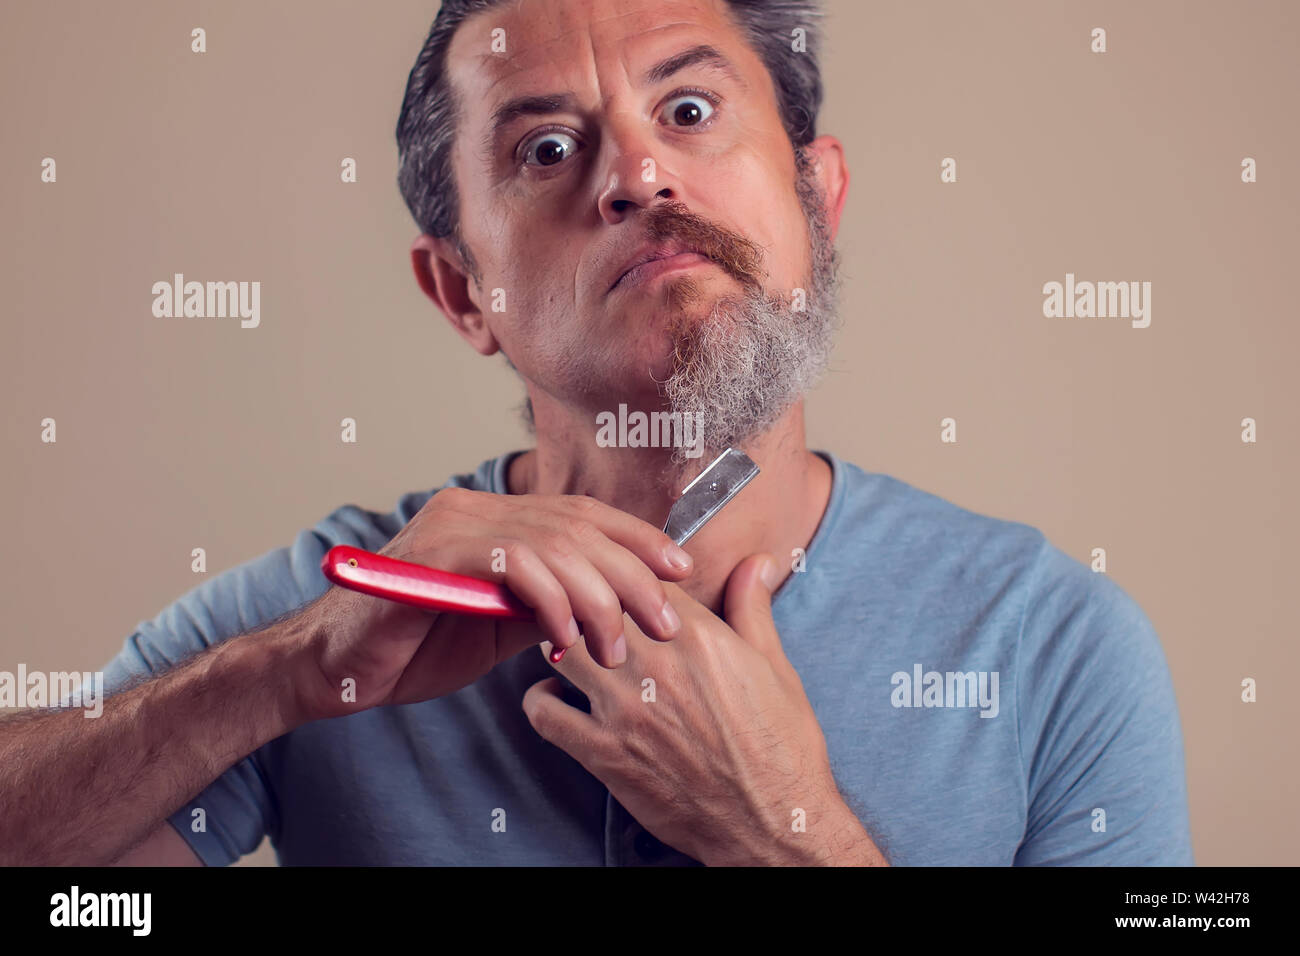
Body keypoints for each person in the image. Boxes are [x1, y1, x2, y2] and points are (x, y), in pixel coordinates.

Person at [0, 0, 1193, 866]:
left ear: (818, 202)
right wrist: (282, 673)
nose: (636, 170)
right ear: (462, 292)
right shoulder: (341, 607)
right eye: (546, 149)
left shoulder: (1058, 647)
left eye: (688, 108)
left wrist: (785, 835)